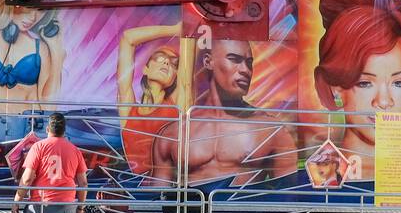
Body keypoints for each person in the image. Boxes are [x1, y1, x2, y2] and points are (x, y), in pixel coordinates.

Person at [152, 36, 297, 187]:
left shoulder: (271, 130)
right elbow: (156, 197)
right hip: (193, 210)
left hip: (240, 209)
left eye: (249, 63)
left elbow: (290, 197)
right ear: (208, 62)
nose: (245, 70)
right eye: (234, 59)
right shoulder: (173, 133)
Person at [313, 0, 401, 177]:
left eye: (399, 83)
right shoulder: (320, 176)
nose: (384, 101)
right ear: (336, 88)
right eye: (365, 83)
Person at [116, 22, 194, 178]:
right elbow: (127, 38)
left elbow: (189, 39)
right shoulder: (128, 109)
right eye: (160, 58)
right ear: (145, 68)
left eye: (174, 63)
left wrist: (185, 31)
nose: (166, 62)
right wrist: (172, 29)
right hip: (137, 187)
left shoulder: (177, 106)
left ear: (175, 77)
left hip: (169, 187)